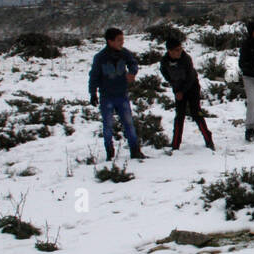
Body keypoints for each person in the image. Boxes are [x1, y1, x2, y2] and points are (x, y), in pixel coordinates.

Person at [88, 27, 145, 161]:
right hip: (106, 97)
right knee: (108, 125)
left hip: (122, 95)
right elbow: (94, 76)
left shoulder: (124, 53)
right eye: (119, 40)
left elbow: (133, 63)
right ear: (110, 41)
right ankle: (110, 153)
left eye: (122, 40)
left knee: (129, 123)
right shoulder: (100, 58)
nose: (122, 43)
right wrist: (93, 93)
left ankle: (135, 151)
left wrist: (132, 72)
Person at [159, 37, 215, 152]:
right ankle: (175, 144)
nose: (179, 52)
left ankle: (208, 140)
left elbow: (191, 78)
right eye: (176, 50)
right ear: (169, 51)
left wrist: (182, 91)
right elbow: (165, 74)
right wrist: (176, 89)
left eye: (180, 49)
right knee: (179, 116)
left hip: (192, 87)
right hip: (178, 89)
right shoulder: (164, 61)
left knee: (196, 113)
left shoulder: (186, 59)